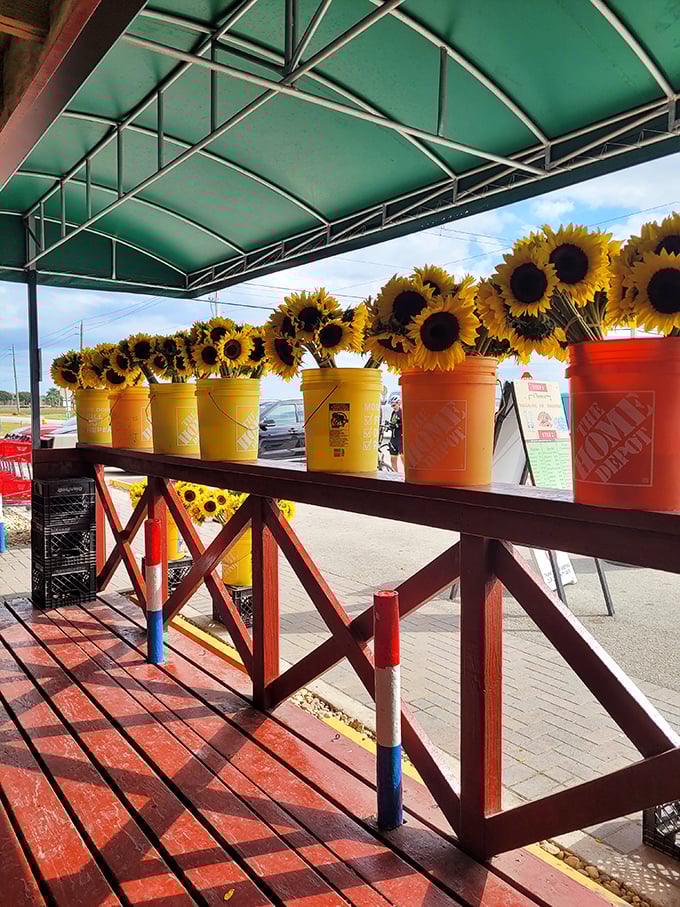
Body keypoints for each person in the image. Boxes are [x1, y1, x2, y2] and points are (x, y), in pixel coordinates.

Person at [388, 393, 403, 472]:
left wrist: (397, 425)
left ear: (398, 403)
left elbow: (405, 424)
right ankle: (395, 476)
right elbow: (392, 423)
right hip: (393, 439)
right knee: (393, 460)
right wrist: (390, 425)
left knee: (403, 459)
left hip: (400, 439)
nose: (393, 407)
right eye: (392, 406)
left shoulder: (402, 412)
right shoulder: (393, 413)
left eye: (394, 405)